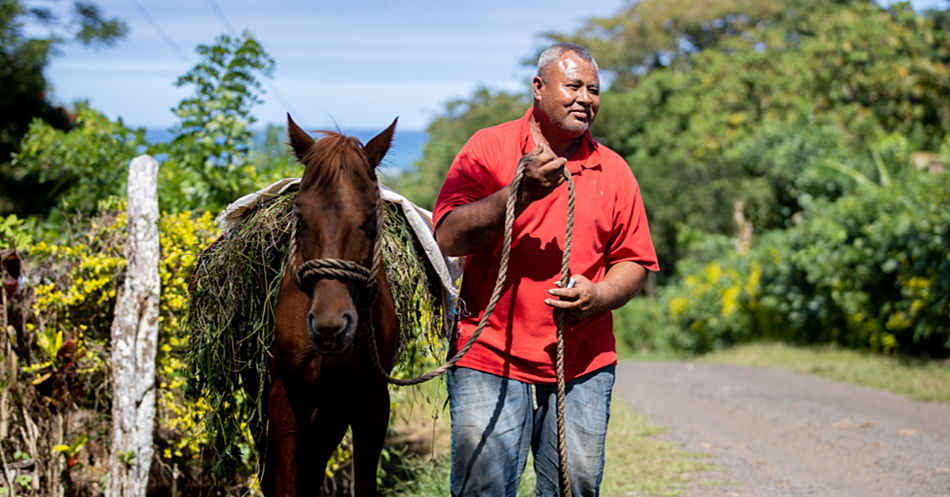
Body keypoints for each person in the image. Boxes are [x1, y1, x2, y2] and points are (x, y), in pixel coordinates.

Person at [432, 42, 660, 496]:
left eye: (593, 90)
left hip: (581, 360)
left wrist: (598, 296)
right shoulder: (488, 148)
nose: (585, 98)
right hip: (489, 354)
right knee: (485, 488)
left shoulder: (613, 170)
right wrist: (516, 194)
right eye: (573, 85)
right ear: (538, 88)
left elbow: (634, 261)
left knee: (575, 487)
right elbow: (447, 238)